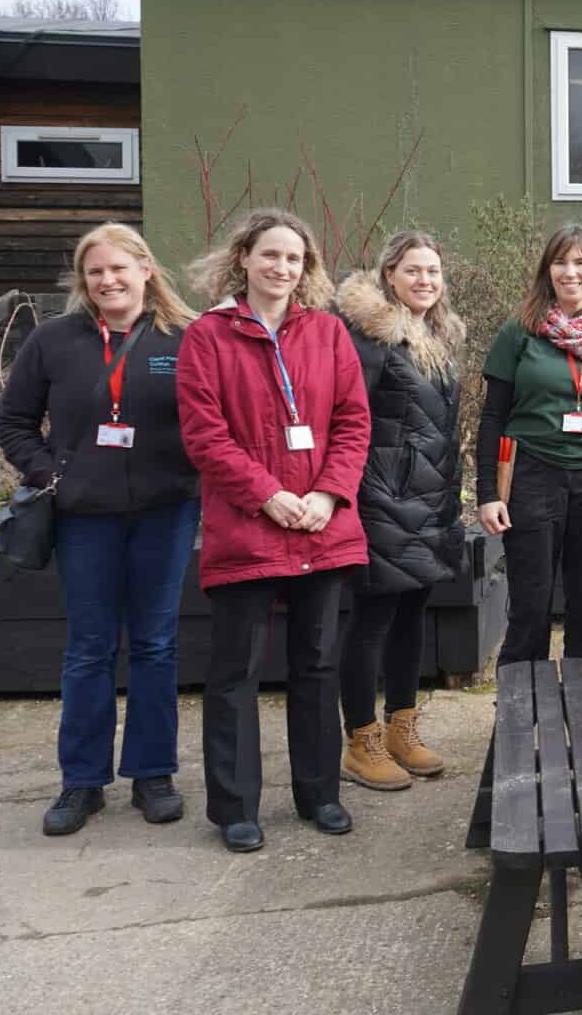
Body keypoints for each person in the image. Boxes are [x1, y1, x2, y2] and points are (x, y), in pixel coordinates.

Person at [0, 224, 201, 837]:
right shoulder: (55, 340)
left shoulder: (183, 340)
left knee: (156, 644)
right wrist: (51, 470)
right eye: (94, 272)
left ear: (145, 269)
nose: (107, 281)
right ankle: (81, 782)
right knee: (88, 647)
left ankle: (153, 774)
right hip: (84, 517)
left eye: (118, 269)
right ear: (83, 282)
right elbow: (13, 422)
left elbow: (214, 421)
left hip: (165, 513)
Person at [177, 209, 373, 853]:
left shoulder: (328, 333)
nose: (281, 267)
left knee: (317, 665)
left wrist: (327, 492)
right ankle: (235, 806)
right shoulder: (207, 336)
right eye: (270, 255)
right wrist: (268, 496)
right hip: (247, 527)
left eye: (294, 258)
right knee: (236, 671)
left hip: (321, 525)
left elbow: (353, 421)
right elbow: (205, 434)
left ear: (307, 268)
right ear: (244, 258)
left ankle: (319, 794)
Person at [475, 225, 582, 671]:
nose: (571, 272)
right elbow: (492, 417)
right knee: (529, 610)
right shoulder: (520, 334)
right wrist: (488, 494)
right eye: (561, 262)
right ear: (547, 270)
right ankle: (514, 729)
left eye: (581, 262)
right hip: (534, 476)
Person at [332, 232, 466, 791]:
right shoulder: (367, 338)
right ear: (389, 275)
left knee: (412, 617)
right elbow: (346, 419)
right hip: (381, 500)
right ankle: (360, 741)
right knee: (372, 621)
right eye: (413, 271)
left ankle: (400, 730)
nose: (425, 282)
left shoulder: (437, 335)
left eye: (433, 272)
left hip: (429, 500)